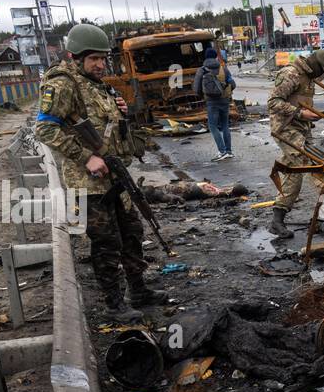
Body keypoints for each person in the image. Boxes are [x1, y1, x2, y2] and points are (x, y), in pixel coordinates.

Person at [36, 23, 169, 322]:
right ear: (76, 57)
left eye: (103, 58)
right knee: (106, 243)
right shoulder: (62, 83)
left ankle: (138, 290)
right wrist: (86, 158)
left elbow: (106, 125)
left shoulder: (97, 84)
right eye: (94, 59)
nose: (100, 64)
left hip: (114, 177)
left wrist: (120, 110)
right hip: (88, 183)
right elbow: (44, 128)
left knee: (132, 234)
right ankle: (114, 303)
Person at [266, 48, 324, 239]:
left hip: (302, 128)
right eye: (322, 70)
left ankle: (280, 221)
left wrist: (309, 116)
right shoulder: (290, 73)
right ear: (315, 64)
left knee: (297, 170)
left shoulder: (309, 77)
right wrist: (300, 113)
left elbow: (302, 101)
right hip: (285, 129)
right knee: (315, 165)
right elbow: (273, 102)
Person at [194, 47, 236, 161]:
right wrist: (225, 90)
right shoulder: (223, 69)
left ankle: (222, 151)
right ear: (216, 57)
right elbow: (233, 84)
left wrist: (204, 96)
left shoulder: (202, 70)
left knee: (213, 126)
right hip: (224, 101)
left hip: (211, 102)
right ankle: (228, 151)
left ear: (206, 57)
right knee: (225, 125)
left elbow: (196, 89)